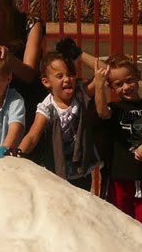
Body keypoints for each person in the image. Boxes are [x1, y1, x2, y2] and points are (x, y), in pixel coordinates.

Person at [93, 55, 142, 230]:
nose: (126, 87)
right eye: (119, 84)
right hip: (119, 179)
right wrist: (98, 85)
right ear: (111, 87)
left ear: (138, 76)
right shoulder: (115, 109)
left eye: (129, 80)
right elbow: (101, 111)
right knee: (120, 227)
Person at [18, 51, 100, 188]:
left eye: (70, 75)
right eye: (59, 76)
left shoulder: (80, 95)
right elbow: (33, 136)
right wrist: (17, 153)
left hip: (80, 170)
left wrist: (80, 53)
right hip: (56, 171)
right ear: (46, 82)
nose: (67, 79)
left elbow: (105, 73)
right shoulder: (47, 107)